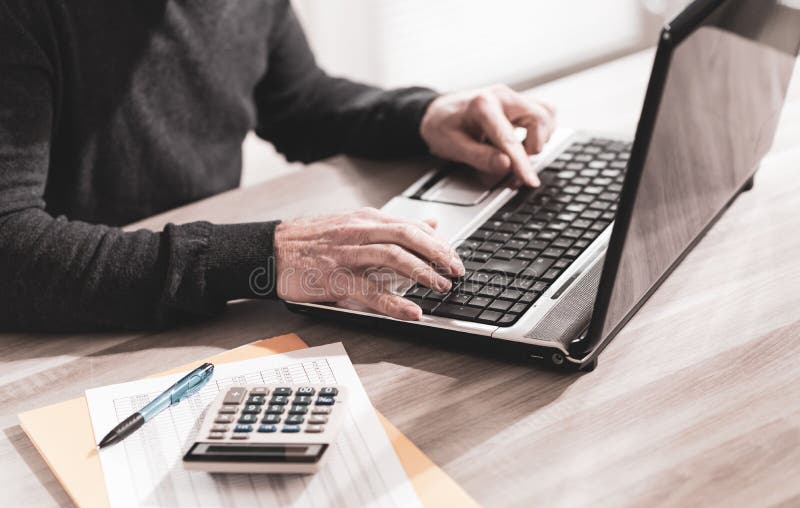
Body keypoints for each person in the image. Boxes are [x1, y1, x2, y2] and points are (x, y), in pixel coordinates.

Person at [0, 0, 555, 331]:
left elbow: (298, 102)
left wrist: (424, 116)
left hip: (199, 315)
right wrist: (265, 256)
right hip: (67, 338)